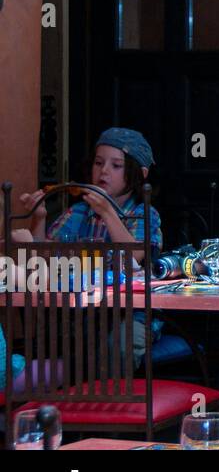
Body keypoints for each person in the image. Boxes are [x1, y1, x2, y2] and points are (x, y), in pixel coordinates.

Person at [17, 128, 165, 365]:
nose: (103, 171)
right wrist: (40, 218)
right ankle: (68, 397)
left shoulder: (143, 214)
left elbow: (135, 255)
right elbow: (42, 259)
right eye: (98, 163)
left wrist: (107, 211)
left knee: (119, 346)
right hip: (81, 312)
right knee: (53, 344)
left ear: (140, 174)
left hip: (129, 313)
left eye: (116, 166)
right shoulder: (78, 212)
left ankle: (118, 400)